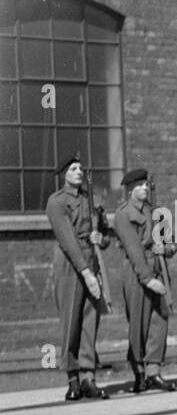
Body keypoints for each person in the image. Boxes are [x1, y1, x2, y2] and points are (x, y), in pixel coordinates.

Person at [48, 153, 111, 400]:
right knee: (71, 322)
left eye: (80, 168)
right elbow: (68, 240)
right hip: (69, 267)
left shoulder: (92, 199)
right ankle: (72, 378)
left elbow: (105, 233)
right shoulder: (57, 202)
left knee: (89, 322)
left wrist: (101, 239)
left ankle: (88, 378)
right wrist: (87, 274)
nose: (79, 171)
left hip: (91, 261)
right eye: (73, 168)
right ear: (64, 174)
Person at [111, 168, 175, 394]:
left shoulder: (156, 211)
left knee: (160, 320)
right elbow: (133, 248)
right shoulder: (123, 214)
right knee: (139, 322)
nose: (145, 188)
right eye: (139, 185)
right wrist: (148, 279)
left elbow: (171, 244)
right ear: (130, 189)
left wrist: (165, 247)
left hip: (157, 267)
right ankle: (138, 372)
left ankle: (154, 371)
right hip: (137, 272)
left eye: (146, 185)